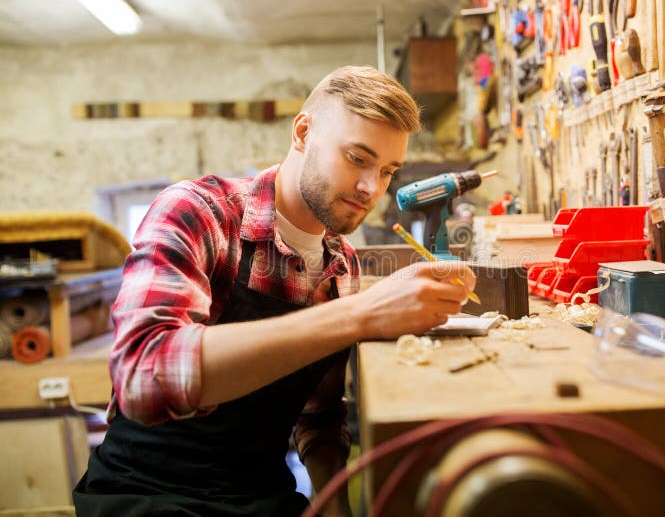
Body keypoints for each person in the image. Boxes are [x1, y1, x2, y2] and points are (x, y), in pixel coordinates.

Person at [73, 66, 476, 516]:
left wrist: (334, 502)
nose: (371, 188)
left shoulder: (342, 267)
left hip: (260, 496)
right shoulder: (199, 213)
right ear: (303, 132)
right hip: (147, 494)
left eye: (387, 171)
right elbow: (144, 377)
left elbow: (318, 417)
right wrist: (361, 315)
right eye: (358, 158)